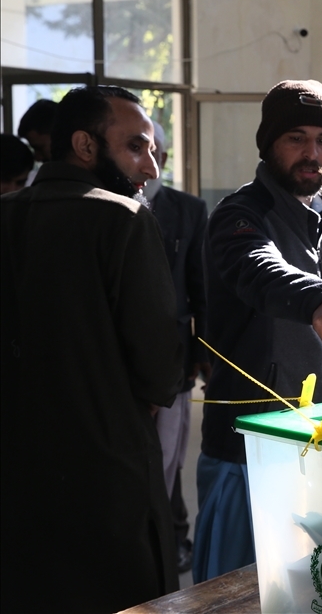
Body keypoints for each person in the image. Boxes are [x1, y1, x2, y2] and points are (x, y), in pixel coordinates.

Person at [1, 86, 182, 612]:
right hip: (106, 486)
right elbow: (157, 370)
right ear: (84, 145)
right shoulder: (122, 220)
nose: (150, 166)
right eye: (136, 147)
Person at [194, 79, 322, 583]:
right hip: (248, 451)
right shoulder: (239, 216)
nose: (311, 153)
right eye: (295, 138)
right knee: (235, 593)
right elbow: (260, 268)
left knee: (309, 587)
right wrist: (318, 297)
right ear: (268, 144)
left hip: (318, 444)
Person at [143, 121, 211, 574]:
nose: (145, 161)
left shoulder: (186, 210)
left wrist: (200, 354)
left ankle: (168, 544)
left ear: (163, 158)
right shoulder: (107, 209)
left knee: (167, 461)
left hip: (173, 361)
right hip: (121, 364)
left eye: (151, 150)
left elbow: (200, 289)